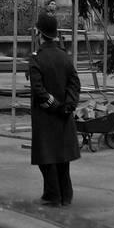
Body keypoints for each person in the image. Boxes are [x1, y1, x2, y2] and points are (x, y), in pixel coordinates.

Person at [29, 13, 81, 206]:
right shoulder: (64, 56)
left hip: (45, 115)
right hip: (64, 116)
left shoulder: (36, 58)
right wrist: (67, 106)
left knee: (47, 158)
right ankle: (66, 194)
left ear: (38, 33)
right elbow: (74, 84)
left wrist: (55, 106)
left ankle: (52, 194)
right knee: (62, 156)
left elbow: (38, 89)